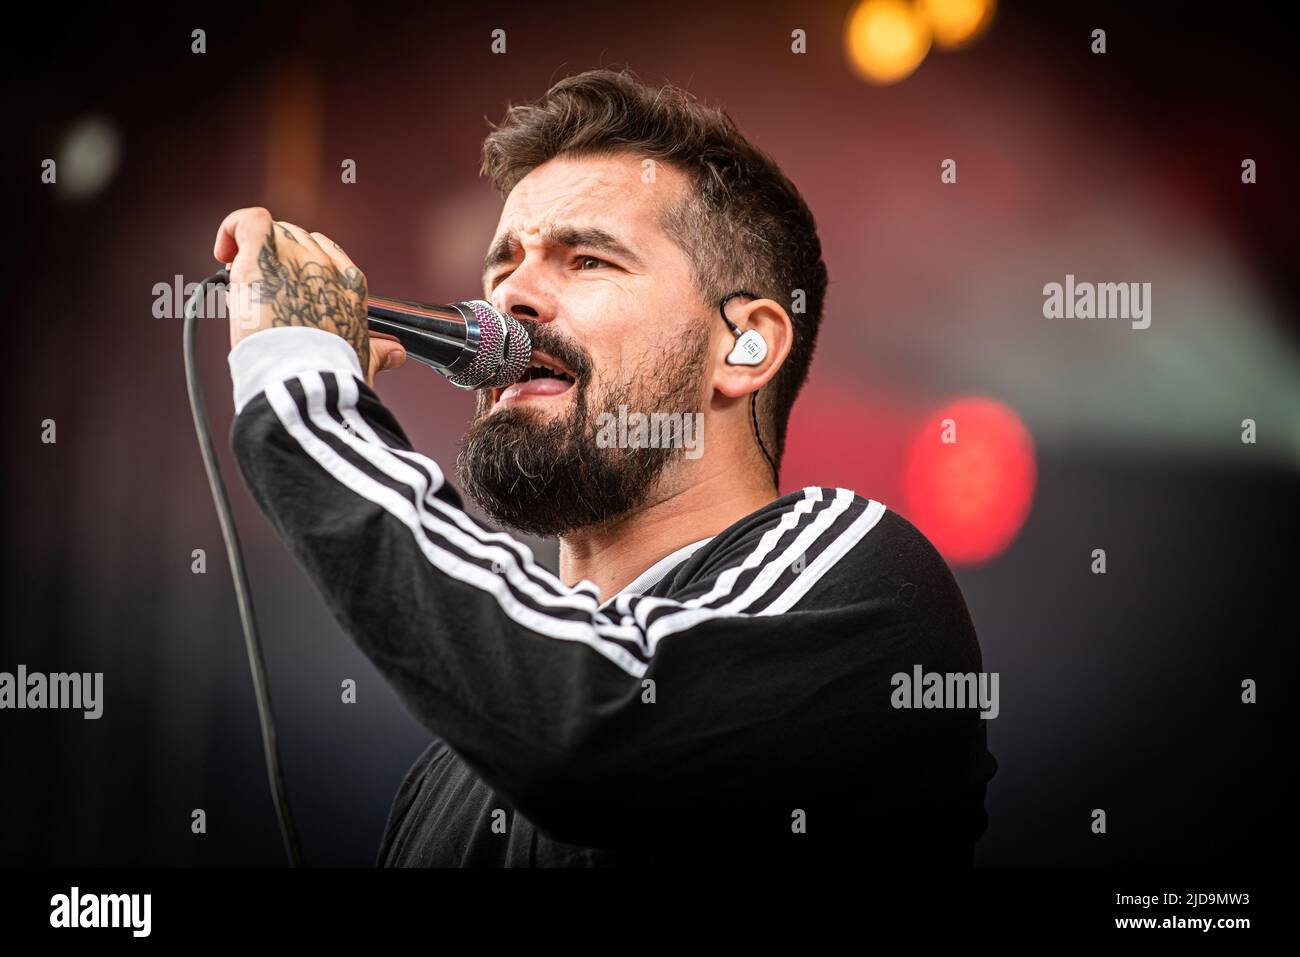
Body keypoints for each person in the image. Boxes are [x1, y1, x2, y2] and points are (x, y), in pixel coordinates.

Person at [218, 69, 996, 866]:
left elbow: (591, 726)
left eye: (586, 260)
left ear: (746, 342)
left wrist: (303, 392)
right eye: (503, 267)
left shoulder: (860, 581)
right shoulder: (449, 778)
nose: (508, 299)